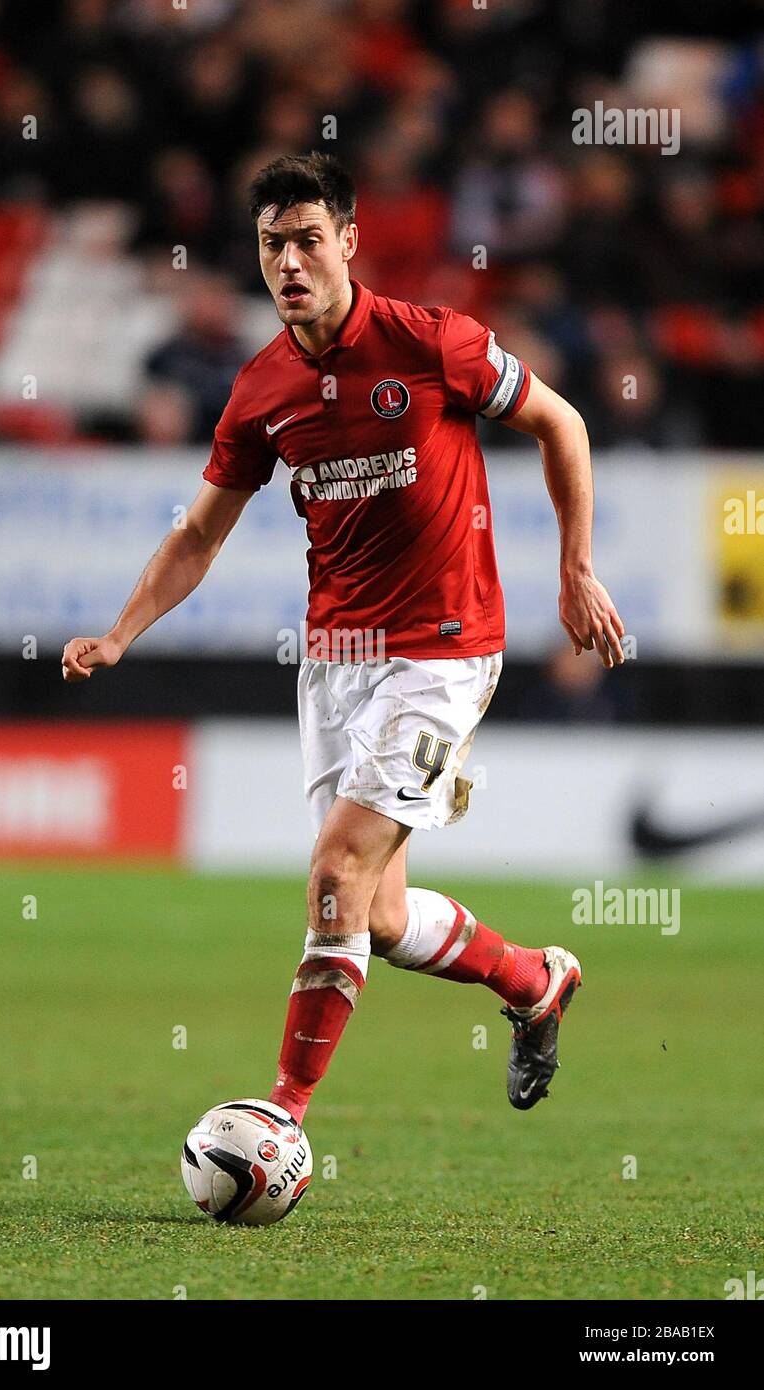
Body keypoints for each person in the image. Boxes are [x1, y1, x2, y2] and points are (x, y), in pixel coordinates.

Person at [62, 152, 625, 1120]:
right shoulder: (261, 388)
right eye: (273, 243)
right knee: (381, 913)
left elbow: (561, 423)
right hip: (334, 661)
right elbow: (198, 531)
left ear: (348, 243)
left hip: (445, 650)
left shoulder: (430, 342)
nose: (289, 262)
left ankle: (281, 1113)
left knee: (333, 870)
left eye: (308, 240)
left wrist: (574, 569)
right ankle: (534, 981)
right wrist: (121, 632)